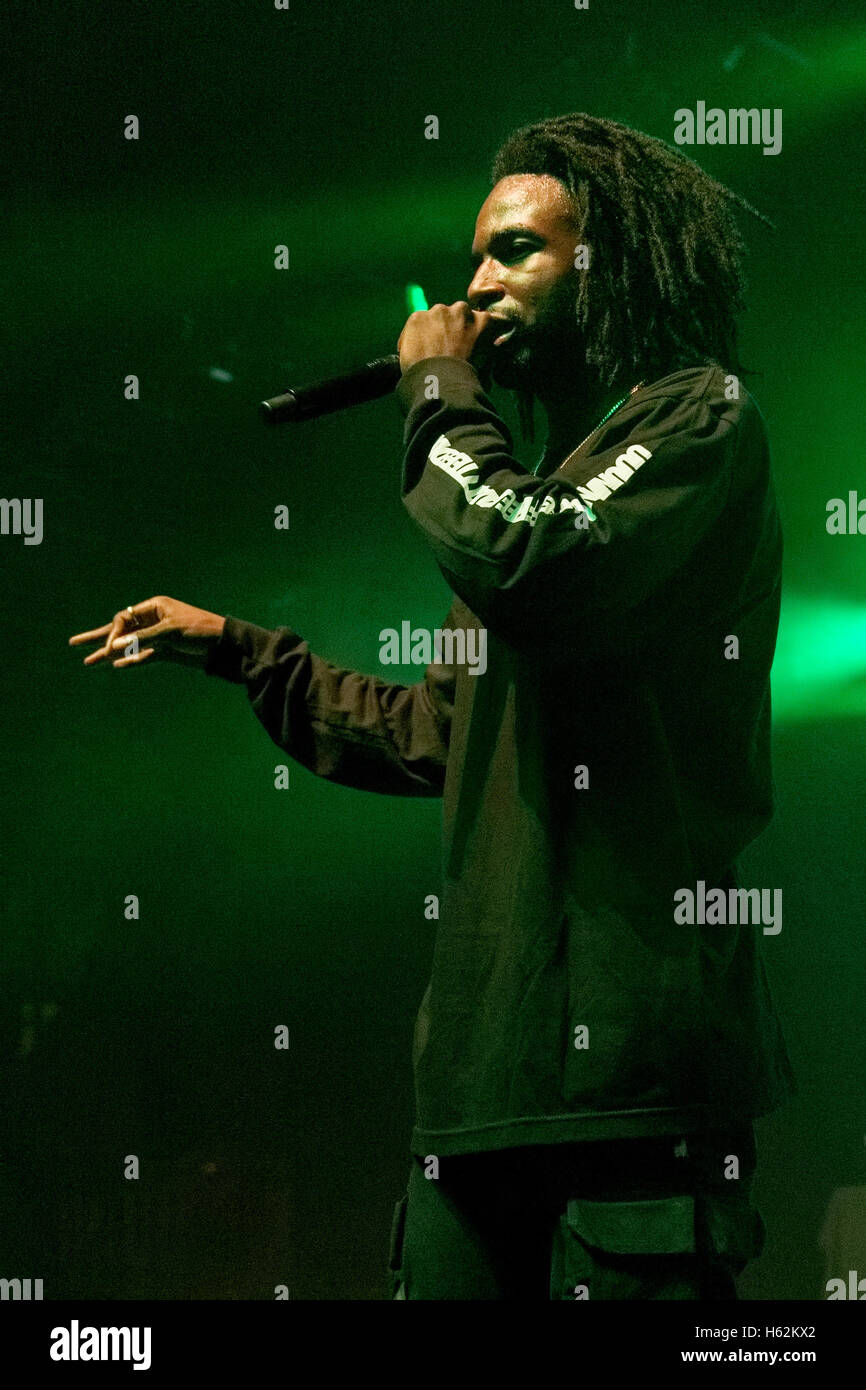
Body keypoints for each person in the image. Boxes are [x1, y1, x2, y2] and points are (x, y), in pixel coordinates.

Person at [69, 112, 796, 1300]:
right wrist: (249, 654)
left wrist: (439, 389)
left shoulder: (696, 419)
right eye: (478, 256)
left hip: (629, 1074)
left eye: (515, 251)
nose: (477, 282)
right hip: (482, 1077)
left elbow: (522, 554)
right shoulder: (553, 480)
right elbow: (433, 733)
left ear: (609, 258)